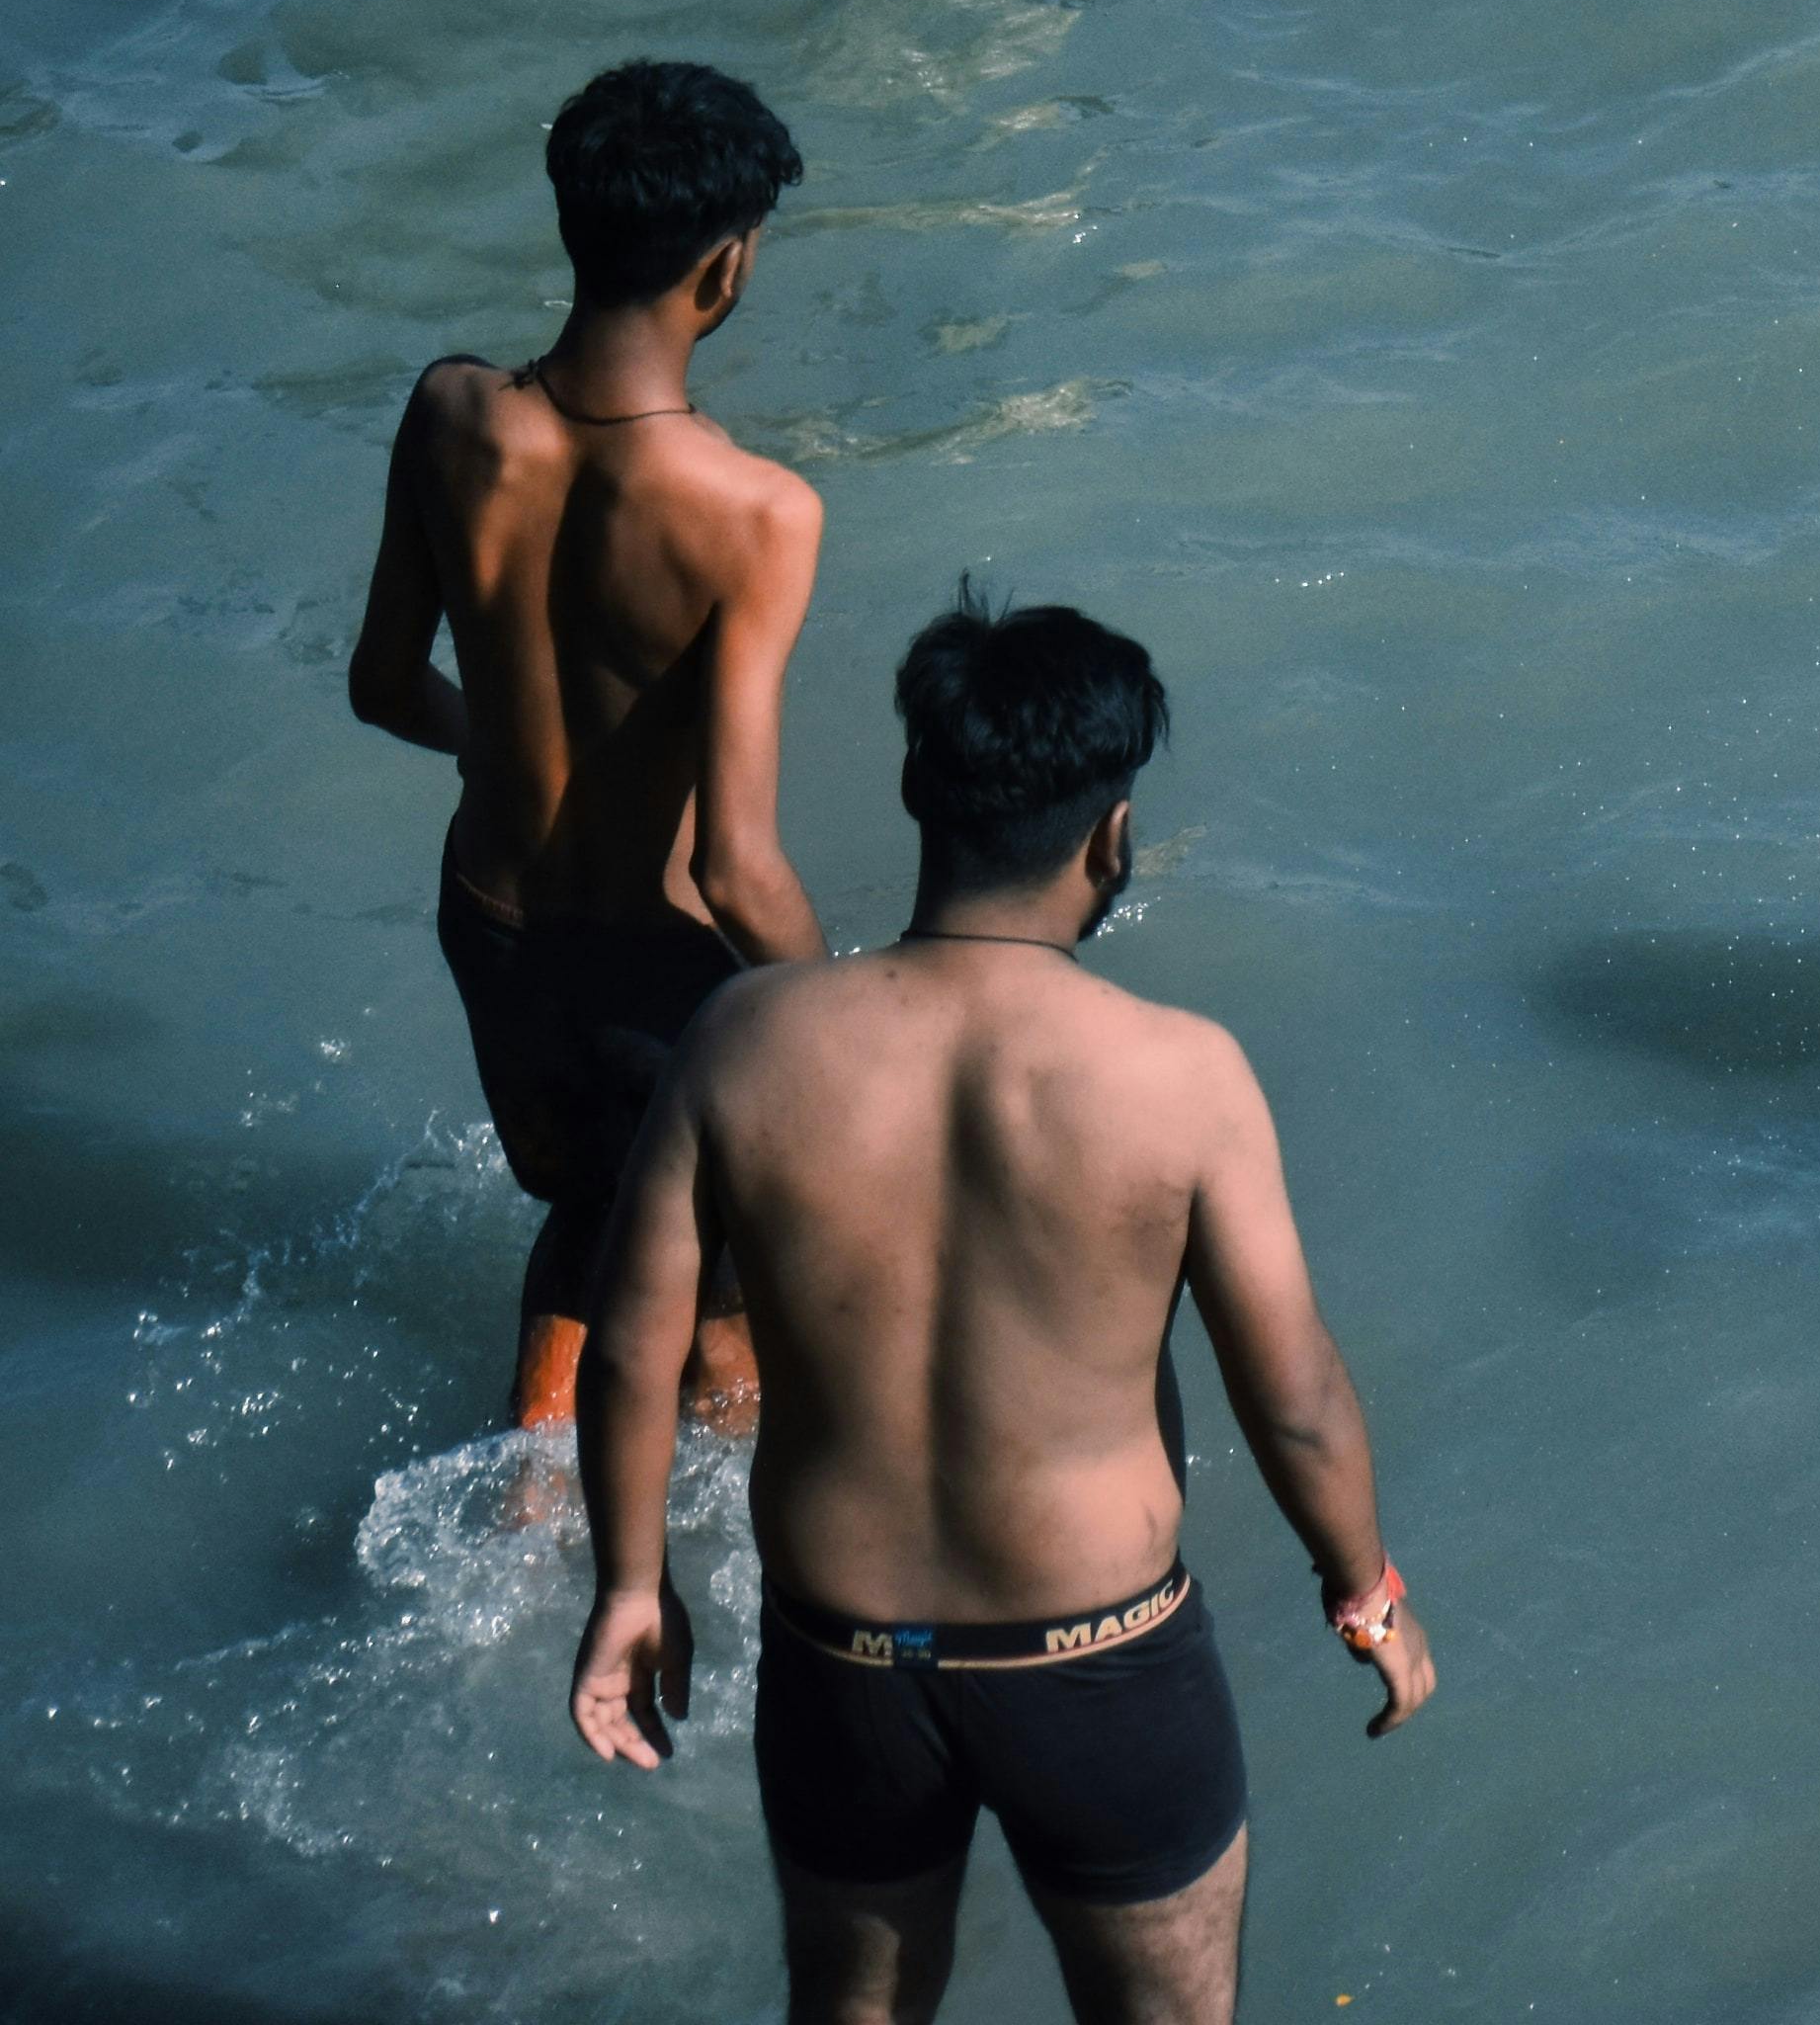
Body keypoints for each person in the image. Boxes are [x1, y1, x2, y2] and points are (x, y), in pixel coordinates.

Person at [570, 600, 1439, 2025]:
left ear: (920, 791)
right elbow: (1293, 1395)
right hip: (1098, 1665)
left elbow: (630, 1347)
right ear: (1112, 839)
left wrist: (626, 1584)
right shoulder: (1182, 1076)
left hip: (846, 1664)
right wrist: (1367, 1591)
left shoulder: (745, 1039)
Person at [347, 60, 821, 1426]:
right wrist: (853, 1008)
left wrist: (493, 744)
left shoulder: (448, 414)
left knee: (590, 1212)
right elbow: (737, 868)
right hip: (656, 966)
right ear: (724, 273)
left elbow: (384, 686)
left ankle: (528, 1500)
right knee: (725, 1287)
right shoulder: (754, 513)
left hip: (492, 926)